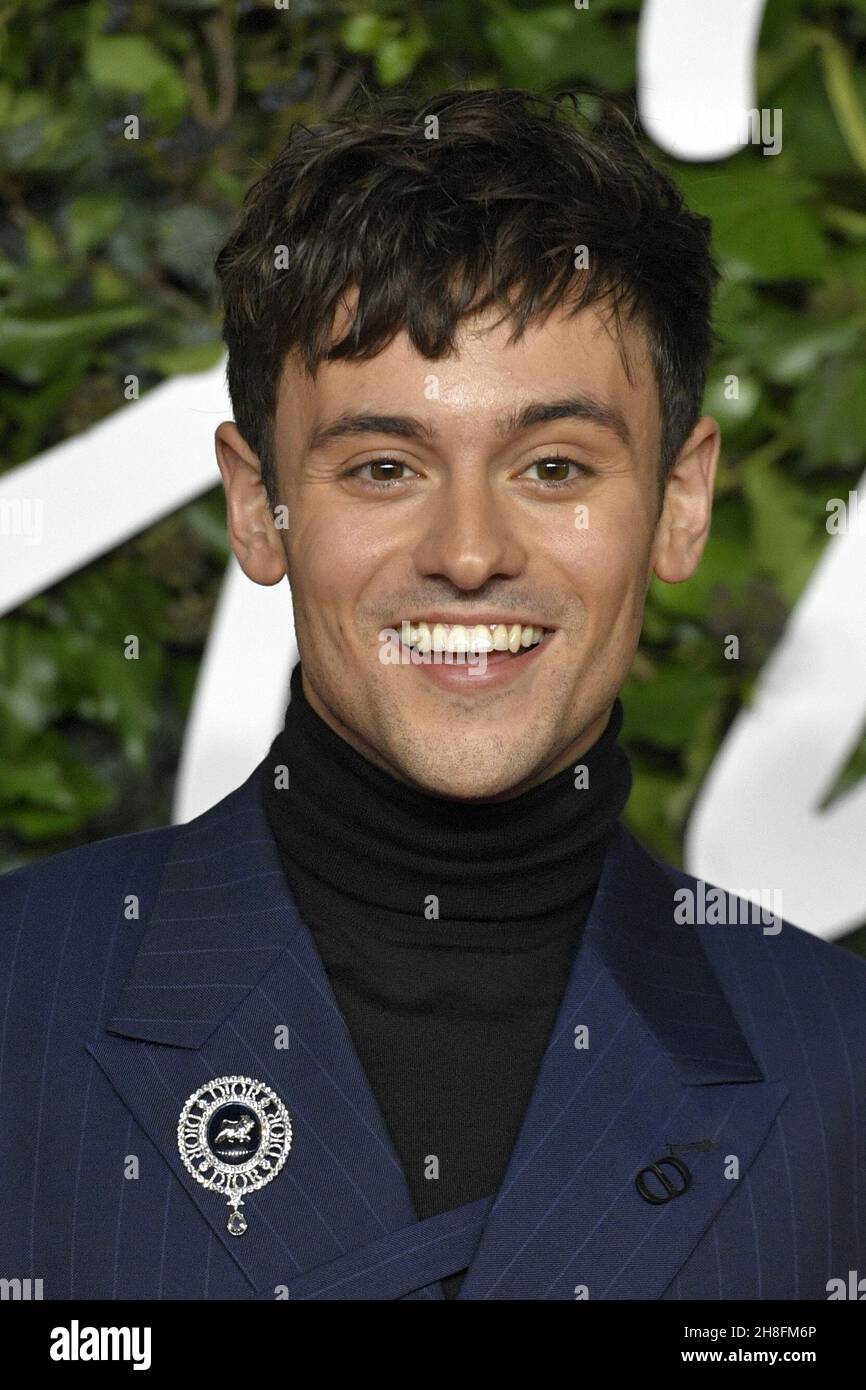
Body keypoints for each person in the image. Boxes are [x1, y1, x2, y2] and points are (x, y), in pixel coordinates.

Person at [2, 87, 865, 1303]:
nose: (467, 551)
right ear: (259, 507)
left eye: (552, 464)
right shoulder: (18, 1007)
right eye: (384, 466)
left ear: (679, 502)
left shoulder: (840, 1068)